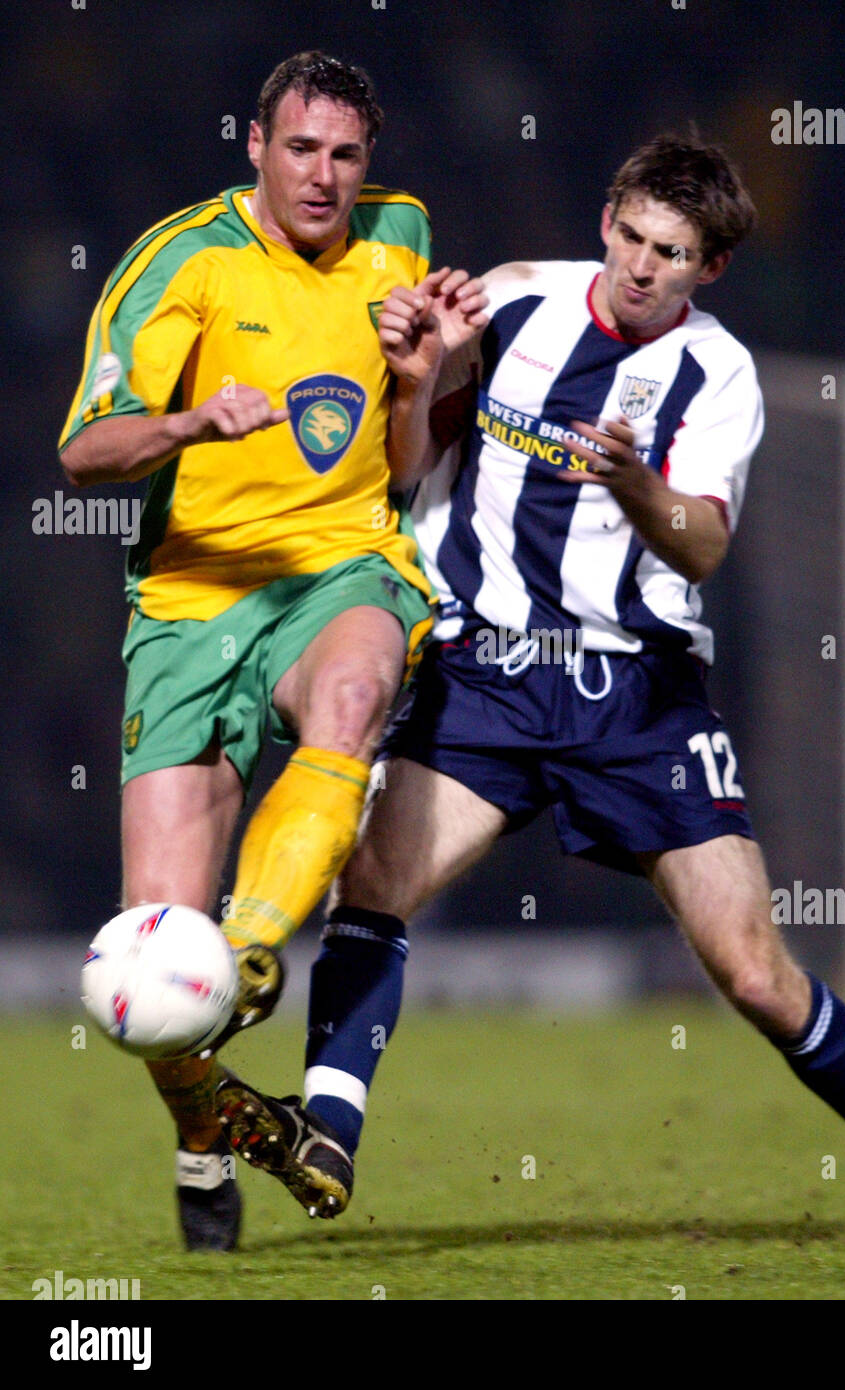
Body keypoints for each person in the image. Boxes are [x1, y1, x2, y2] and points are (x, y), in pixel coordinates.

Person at [215, 132, 845, 1246]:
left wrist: (635, 481)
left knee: (753, 973)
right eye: (637, 238)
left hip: (635, 698)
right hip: (484, 672)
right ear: (608, 220)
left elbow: (699, 548)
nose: (645, 267)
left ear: (711, 270)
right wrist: (420, 368)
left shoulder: (721, 374)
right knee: (373, 881)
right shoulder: (509, 302)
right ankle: (328, 1129)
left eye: (676, 254)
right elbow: (405, 471)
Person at [58, 50, 485, 1252]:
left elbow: (408, 468)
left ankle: (249, 960)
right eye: (301, 150)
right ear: (255, 145)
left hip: (338, 566)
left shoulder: (401, 238)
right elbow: (84, 454)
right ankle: (219, 1134)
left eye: (346, 156)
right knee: (148, 970)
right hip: (191, 603)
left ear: (370, 164)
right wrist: (195, 418)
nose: (324, 177)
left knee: (352, 691)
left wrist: (431, 373)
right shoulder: (176, 260)